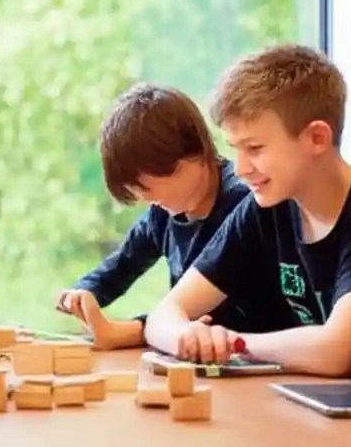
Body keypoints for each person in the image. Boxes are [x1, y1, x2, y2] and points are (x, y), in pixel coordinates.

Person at [144, 45, 351, 376]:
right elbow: (163, 315)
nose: (239, 169)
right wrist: (187, 336)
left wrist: (232, 344)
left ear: (316, 138)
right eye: (235, 149)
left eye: (255, 148)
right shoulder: (266, 206)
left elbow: (337, 351)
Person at [54, 84, 248, 349]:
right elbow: (123, 263)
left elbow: (219, 315)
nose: (146, 199)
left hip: (249, 349)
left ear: (193, 155)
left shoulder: (244, 204)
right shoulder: (163, 213)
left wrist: (131, 330)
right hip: (196, 351)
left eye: (147, 187)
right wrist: (84, 293)